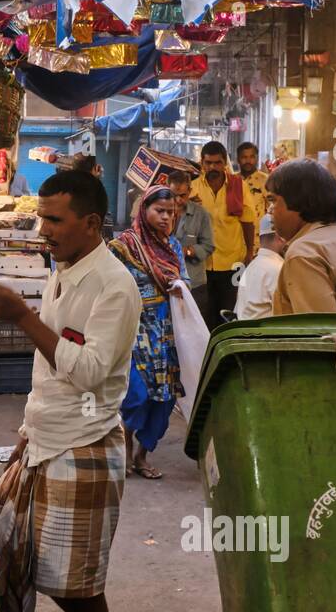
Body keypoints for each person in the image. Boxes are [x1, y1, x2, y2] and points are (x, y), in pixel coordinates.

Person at [0, 169, 141, 612]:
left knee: (79, 586)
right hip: (49, 439)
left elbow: (90, 371)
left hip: (86, 443)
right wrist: (28, 430)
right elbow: (49, 370)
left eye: (54, 220)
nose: (43, 230)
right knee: (45, 570)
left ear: (91, 223)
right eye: (40, 217)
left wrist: (23, 317)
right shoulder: (64, 268)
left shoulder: (113, 286)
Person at [109, 183, 188, 480]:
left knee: (164, 398)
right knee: (136, 396)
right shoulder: (123, 247)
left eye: (171, 212)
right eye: (160, 211)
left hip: (166, 331)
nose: (166, 217)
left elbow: (185, 281)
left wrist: (180, 288)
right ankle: (126, 450)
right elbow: (109, 287)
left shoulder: (173, 247)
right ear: (144, 210)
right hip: (133, 330)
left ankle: (143, 455)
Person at [266, 158, 336, 316]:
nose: (270, 211)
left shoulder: (304, 253)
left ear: (299, 203)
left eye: (274, 200)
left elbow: (321, 336)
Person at [190, 140, 257, 327]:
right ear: (202, 163)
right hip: (201, 264)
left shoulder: (238, 186)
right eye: (208, 163)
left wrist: (250, 252)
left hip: (232, 261)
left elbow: (248, 221)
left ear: (224, 163)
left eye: (217, 163)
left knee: (229, 312)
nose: (213, 167)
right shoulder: (192, 188)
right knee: (204, 314)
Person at [169, 170, 215, 330]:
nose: (178, 200)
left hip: (194, 284)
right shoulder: (162, 212)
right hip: (167, 284)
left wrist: (186, 251)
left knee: (194, 331)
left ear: (189, 191)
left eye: (182, 195)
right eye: (174, 195)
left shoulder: (201, 215)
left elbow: (208, 245)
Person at [233, 214, 286, 320]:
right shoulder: (278, 269)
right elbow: (286, 314)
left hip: (243, 331)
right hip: (265, 334)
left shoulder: (250, 267)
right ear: (280, 237)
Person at [236, 141, 268, 218]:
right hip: (236, 228)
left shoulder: (266, 180)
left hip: (258, 228)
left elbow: (272, 208)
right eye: (244, 157)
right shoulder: (232, 180)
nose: (248, 161)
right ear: (238, 159)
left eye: (252, 157)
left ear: (257, 159)